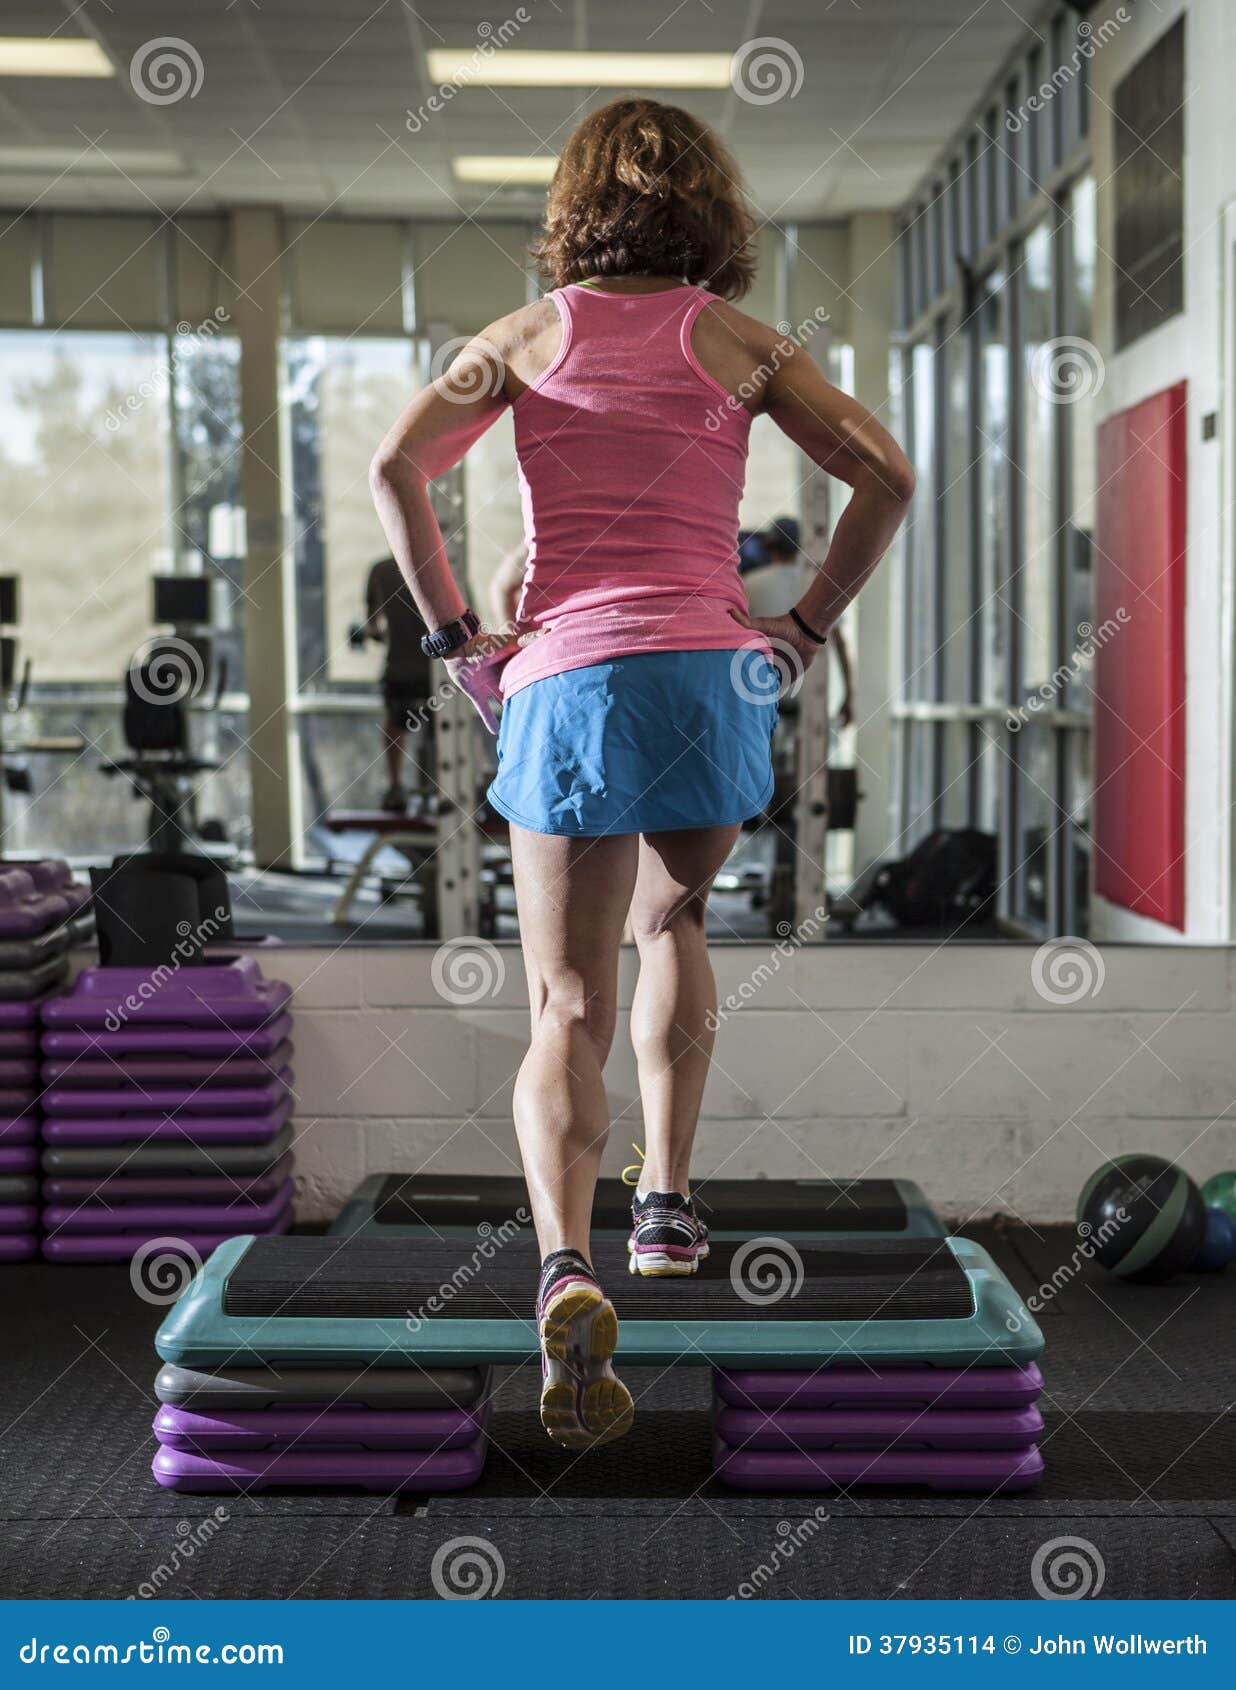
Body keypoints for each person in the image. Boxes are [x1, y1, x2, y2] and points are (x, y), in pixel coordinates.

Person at [370, 97, 914, 1451]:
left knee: (565, 996)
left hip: (563, 677)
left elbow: (394, 468)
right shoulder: (735, 337)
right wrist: (802, 626)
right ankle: (664, 1198)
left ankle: (567, 1263)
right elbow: (885, 474)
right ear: (713, 215)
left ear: (572, 209)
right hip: (711, 673)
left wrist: (457, 643)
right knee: (675, 918)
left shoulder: (523, 339)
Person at [745, 516, 855, 728]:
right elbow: (840, 644)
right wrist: (850, 695)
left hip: (760, 696)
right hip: (810, 700)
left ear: (769, 547)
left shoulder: (749, 584)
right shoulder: (819, 584)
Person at [362, 554, 430, 812]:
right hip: (434, 668)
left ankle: (396, 785)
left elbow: (372, 625)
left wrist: (380, 634)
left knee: (396, 724)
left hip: (401, 668)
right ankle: (423, 790)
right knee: (433, 731)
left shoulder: (381, 570)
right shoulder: (441, 565)